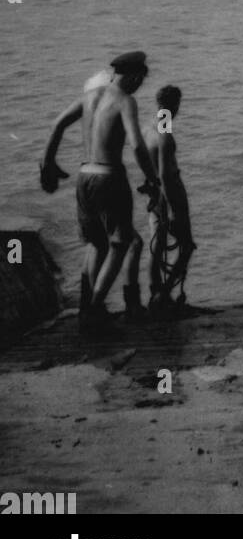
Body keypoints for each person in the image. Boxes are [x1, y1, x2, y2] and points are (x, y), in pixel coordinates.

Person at [40, 51, 160, 330]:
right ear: (132, 76)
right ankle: (95, 308)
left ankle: (86, 308)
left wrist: (48, 162)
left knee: (96, 244)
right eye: (140, 80)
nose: (139, 86)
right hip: (109, 178)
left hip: (85, 176)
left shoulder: (89, 96)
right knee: (121, 243)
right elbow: (137, 145)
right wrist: (152, 178)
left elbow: (57, 124)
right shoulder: (125, 101)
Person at [145, 85, 196, 317]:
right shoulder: (164, 129)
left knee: (157, 245)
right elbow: (166, 172)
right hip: (171, 191)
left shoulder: (149, 127)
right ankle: (163, 295)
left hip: (154, 191)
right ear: (175, 105)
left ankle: (155, 292)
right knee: (186, 246)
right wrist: (173, 209)